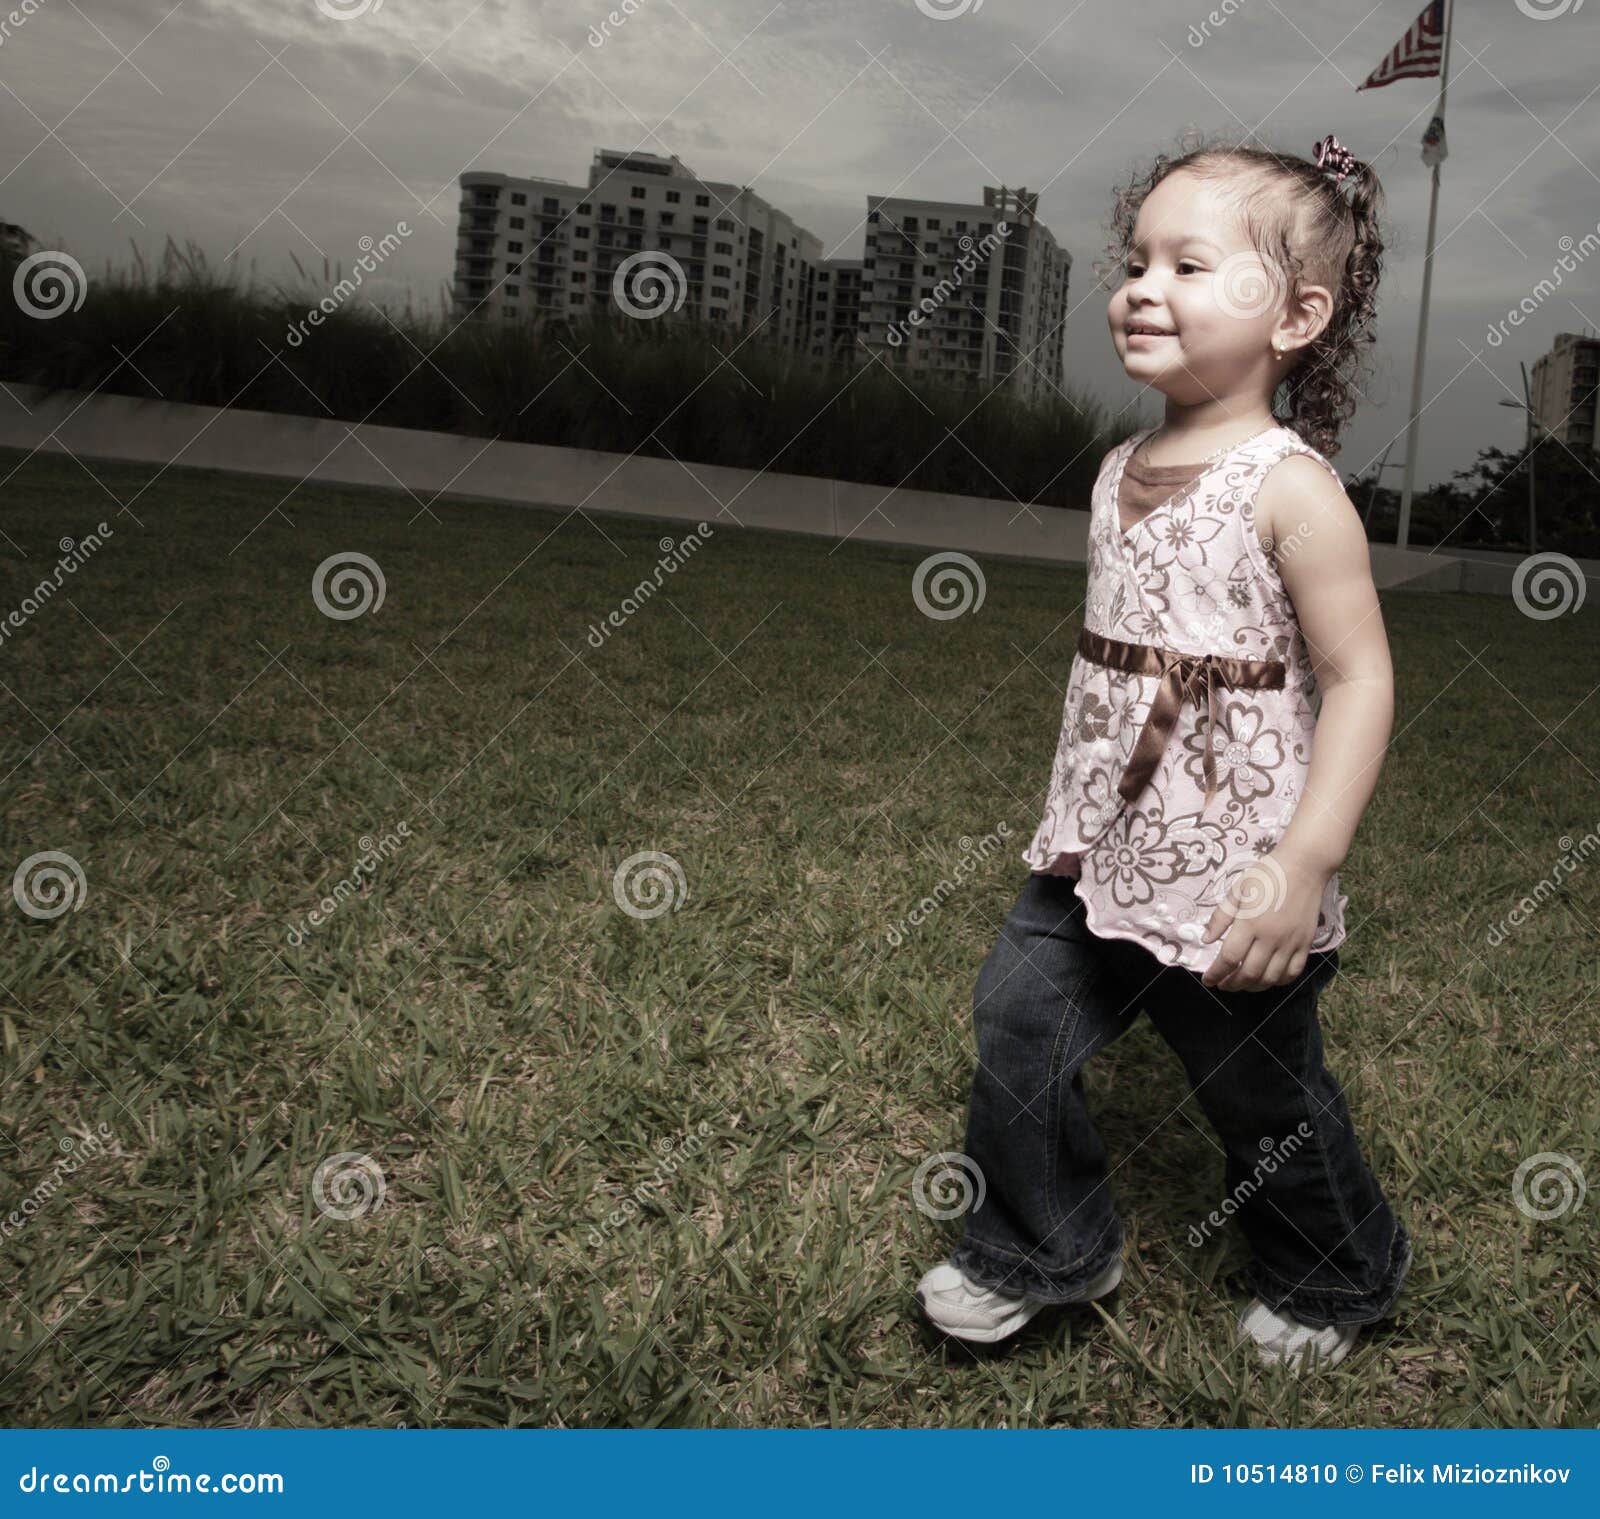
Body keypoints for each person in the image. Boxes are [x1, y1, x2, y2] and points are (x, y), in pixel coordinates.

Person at [916, 132, 1413, 1373]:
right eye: (1136, 260)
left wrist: (1304, 864)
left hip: (1238, 876)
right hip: (1093, 849)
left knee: (1260, 1097)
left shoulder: (1290, 491)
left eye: (1189, 264)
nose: (1142, 286)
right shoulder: (1118, 467)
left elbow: (1359, 677)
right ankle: (1042, 1246)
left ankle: (1336, 1269)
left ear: (1296, 315)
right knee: (1018, 1025)